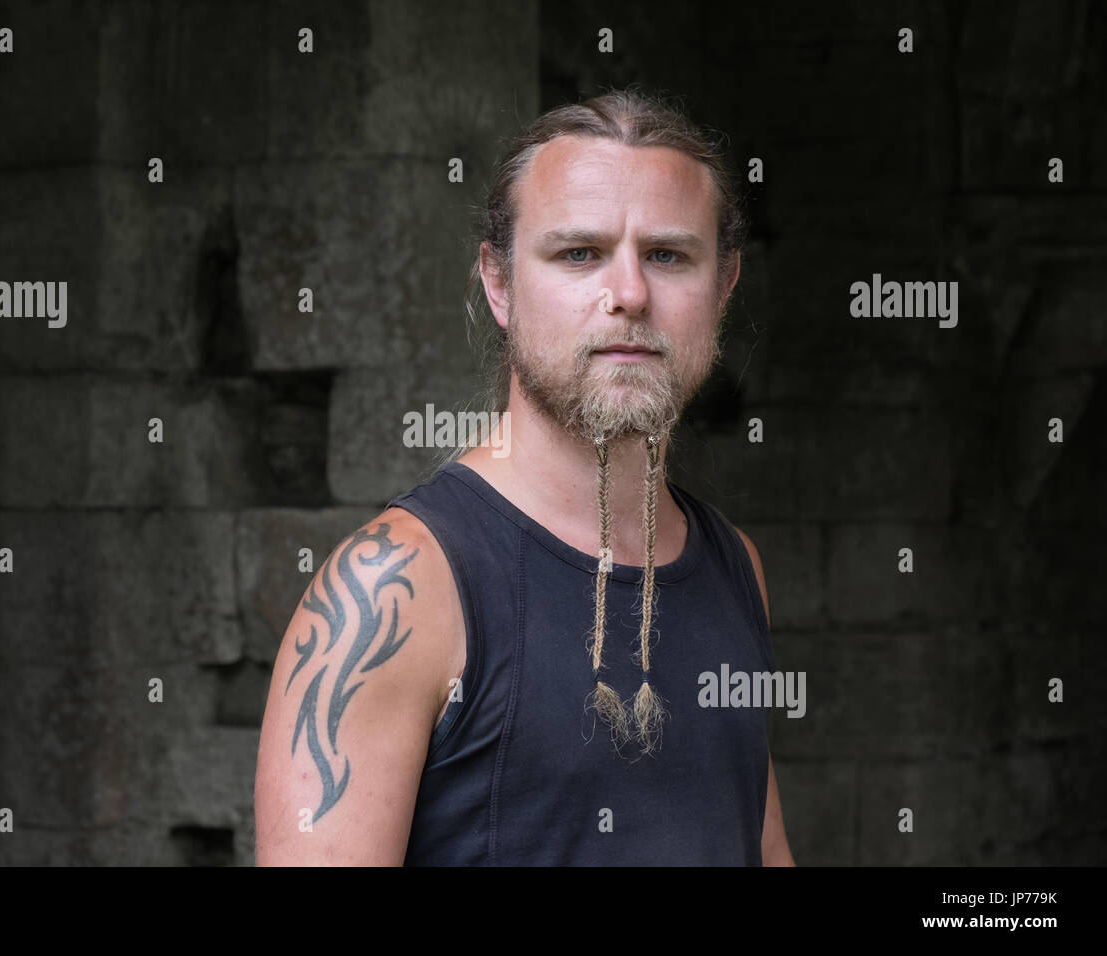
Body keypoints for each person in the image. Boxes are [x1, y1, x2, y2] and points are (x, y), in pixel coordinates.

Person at [254, 87, 795, 866]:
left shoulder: (736, 568)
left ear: (723, 287)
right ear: (499, 283)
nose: (630, 294)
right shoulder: (398, 587)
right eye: (579, 253)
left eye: (668, 255)